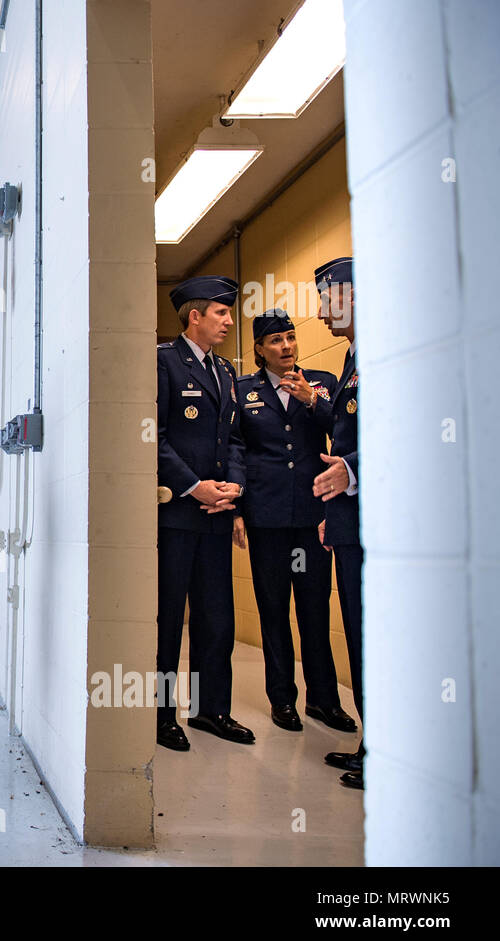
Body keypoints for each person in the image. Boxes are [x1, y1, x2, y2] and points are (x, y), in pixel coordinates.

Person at [233, 308, 354, 735]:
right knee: (272, 609)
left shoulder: (322, 383)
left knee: (315, 608)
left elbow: (342, 429)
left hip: (312, 516)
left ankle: (324, 700)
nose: (286, 347)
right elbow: (237, 451)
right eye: (276, 341)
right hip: (266, 518)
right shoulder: (242, 389)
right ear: (260, 350)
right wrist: (238, 510)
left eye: (290, 337)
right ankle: (282, 699)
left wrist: (311, 399)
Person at [156, 275, 252, 750]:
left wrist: (233, 487)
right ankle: (161, 715)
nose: (230, 321)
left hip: (216, 514)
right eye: (221, 313)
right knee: (169, 618)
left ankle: (212, 710)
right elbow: (157, 437)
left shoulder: (225, 373)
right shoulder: (164, 362)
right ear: (195, 316)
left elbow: (234, 439)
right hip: (177, 516)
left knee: (217, 618)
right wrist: (195, 487)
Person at [312, 256, 365, 790]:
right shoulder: (353, 357)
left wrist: (351, 474)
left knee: (374, 637)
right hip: (351, 522)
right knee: (357, 634)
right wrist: (336, 510)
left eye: (328, 298)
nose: (322, 310)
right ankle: (374, 744)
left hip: (379, 530)